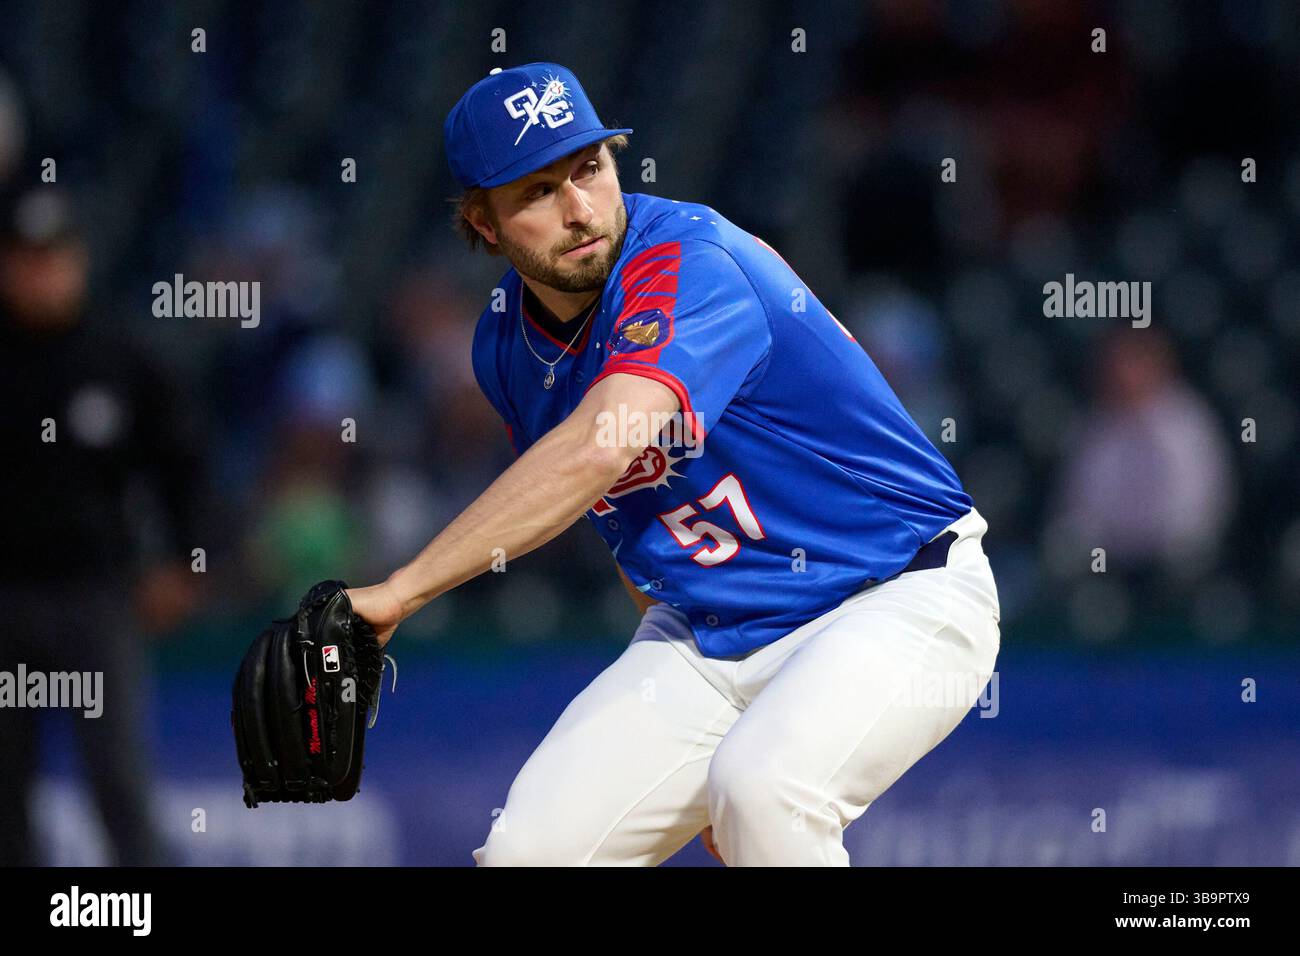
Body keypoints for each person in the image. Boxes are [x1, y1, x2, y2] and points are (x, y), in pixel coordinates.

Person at [345, 62, 1001, 866]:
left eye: (588, 167)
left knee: (764, 791)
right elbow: (625, 518)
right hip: (710, 631)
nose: (580, 208)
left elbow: (602, 444)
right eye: (537, 192)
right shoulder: (505, 348)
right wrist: (674, 779)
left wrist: (398, 593)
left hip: (895, 590)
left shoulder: (688, 260)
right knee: (530, 852)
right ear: (484, 224)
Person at [0, 186, 204, 865]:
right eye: (27, 260)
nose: (41, 275)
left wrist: (184, 560)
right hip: (6, 599)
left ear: (79, 262)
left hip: (95, 597)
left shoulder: (118, 359)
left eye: (53, 259)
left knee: (117, 779)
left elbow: (183, 466)